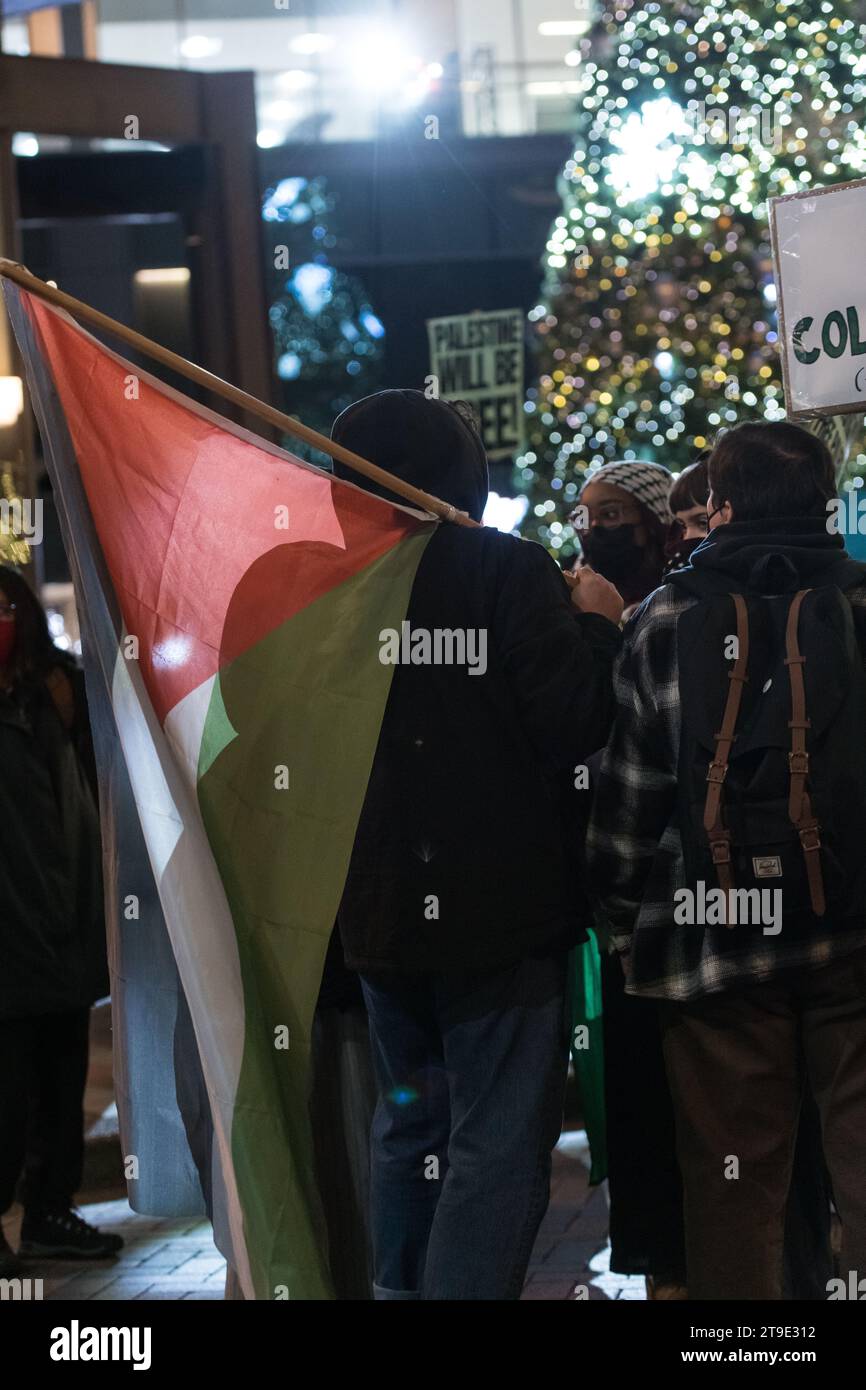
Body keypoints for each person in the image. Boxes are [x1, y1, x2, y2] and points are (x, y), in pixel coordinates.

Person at [329, 389, 623, 1300]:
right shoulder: (502, 569)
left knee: (410, 1131)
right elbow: (573, 721)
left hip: (377, 912)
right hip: (499, 914)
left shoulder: (327, 585)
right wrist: (599, 627)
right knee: (496, 1142)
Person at [587, 421, 866, 1300]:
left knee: (734, 1188)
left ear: (721, 504)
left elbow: (629, 793)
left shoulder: (667, 613)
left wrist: (626, 926)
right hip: (857, 936)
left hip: (713, 943)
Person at [0, 566, 122, 1276]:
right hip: (12, 951)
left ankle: (49, 1210)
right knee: (6, 1099)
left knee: (57, 1088)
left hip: (62, 937)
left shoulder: (58, 695)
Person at [570, 459, 672, 616]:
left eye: (610, 514)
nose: (594, 526)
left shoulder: (684, 601)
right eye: (585, 518)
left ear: (652, 518)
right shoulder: (570, 601)